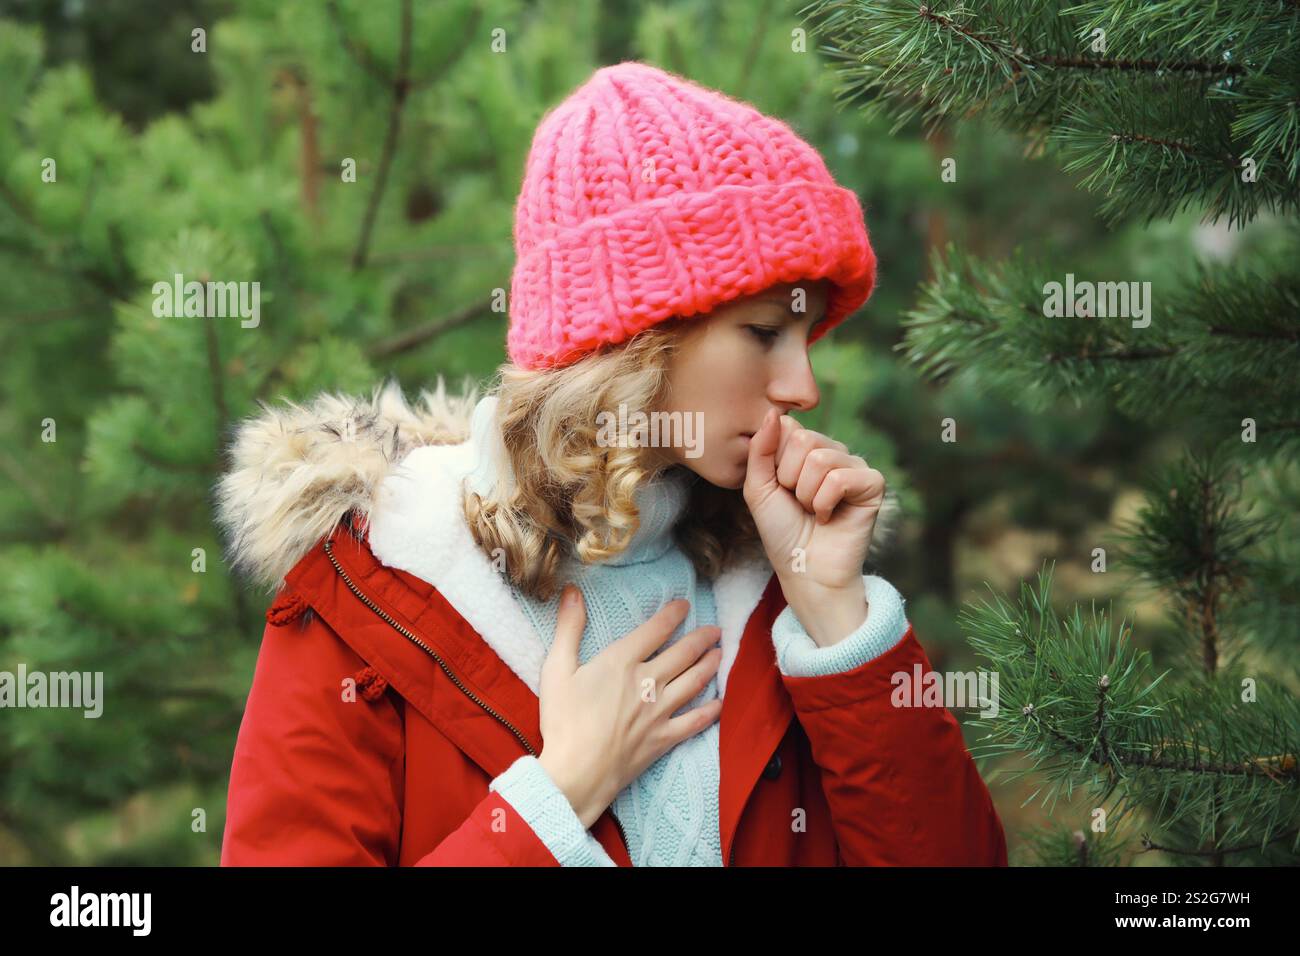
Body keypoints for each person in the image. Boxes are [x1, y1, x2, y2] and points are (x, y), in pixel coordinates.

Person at [214, 61, 1007, 867]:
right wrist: (555, 800)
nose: (803, 387)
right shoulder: (375, 581)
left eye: (808, 340)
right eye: (766, 333)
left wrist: (839, 624)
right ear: (639, 336)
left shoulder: (781, 592)